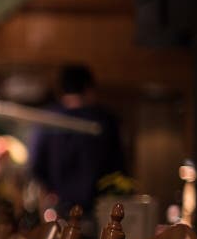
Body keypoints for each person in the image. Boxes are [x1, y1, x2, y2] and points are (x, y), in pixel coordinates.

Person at [28, 65, 125, 219]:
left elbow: (35, 165)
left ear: (61, 89)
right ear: (89, 89)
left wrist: (50, 191)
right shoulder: (105, 120)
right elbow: (117, 166)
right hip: (97, 209)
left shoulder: (47, 119)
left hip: (58, 207)